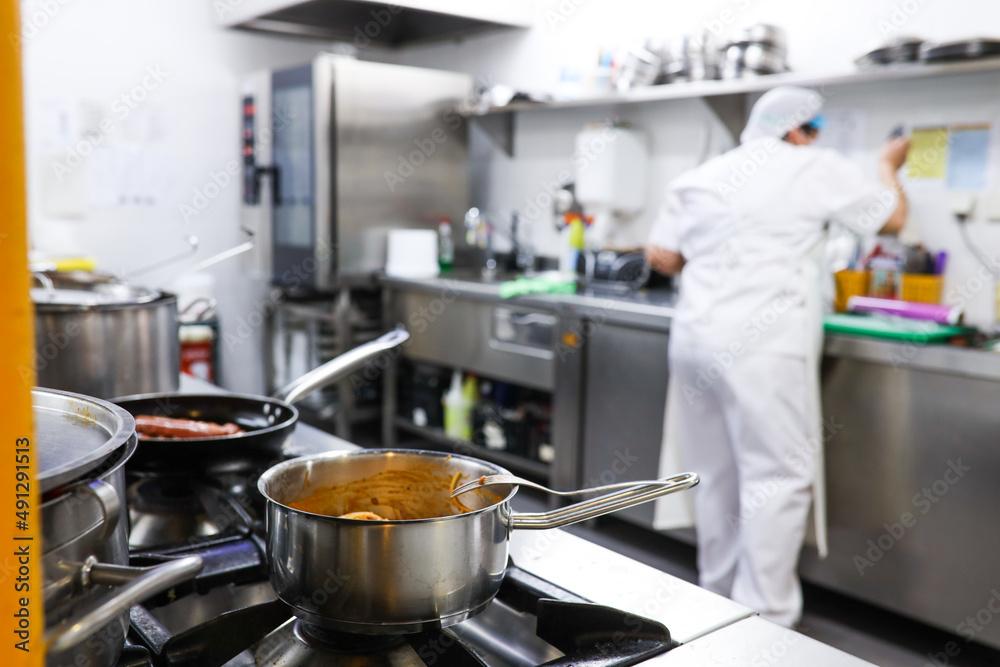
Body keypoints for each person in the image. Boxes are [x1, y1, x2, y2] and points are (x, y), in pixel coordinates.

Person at [644, 86, 909, 627]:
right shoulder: (811, 166)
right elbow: (893, 219)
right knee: (775, 476)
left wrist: (719, 254)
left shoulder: (703, 174)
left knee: (713, 472)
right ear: (796, 131)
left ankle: (717, 603)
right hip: (761, 345)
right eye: (812, 131)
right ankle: (762, 622)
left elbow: (661, 255)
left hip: (695, 338)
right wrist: (888, 165)